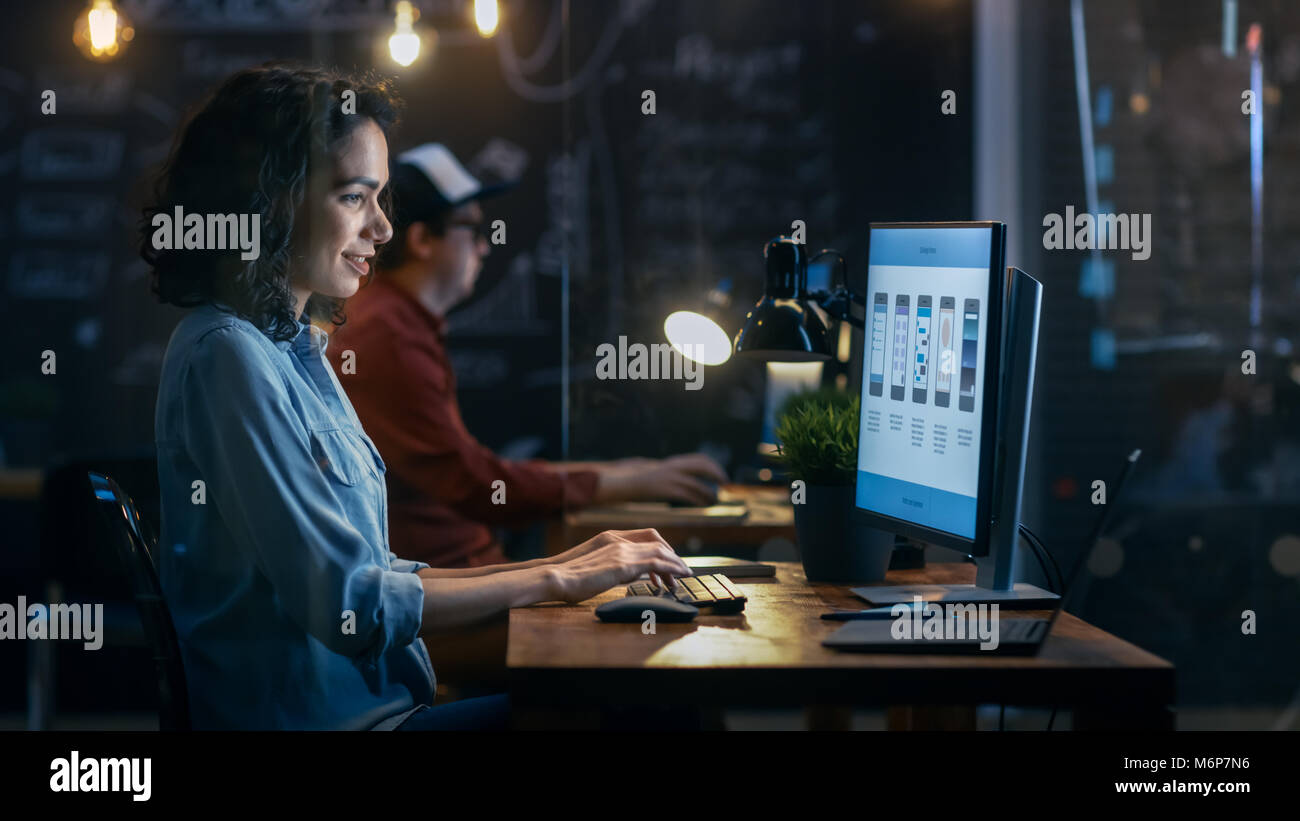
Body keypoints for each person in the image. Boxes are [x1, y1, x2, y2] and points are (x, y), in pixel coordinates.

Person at [142, 64, 690, 730]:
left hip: (379, 711)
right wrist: (555, 580)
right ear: (274, 201)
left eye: (381, 199)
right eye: (354, 197)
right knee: (653, 707)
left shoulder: (294, 349)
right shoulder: (227, 354)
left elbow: (374, 569)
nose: (382, 228)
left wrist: (566, 562)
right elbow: (352, 604)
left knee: (649, 694)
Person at [327, 143, 728, 568]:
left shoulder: (396, 321)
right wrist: (632, 480)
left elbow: (471, 471)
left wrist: (628, 474)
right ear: (424, 239)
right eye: (473, 231)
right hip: (442, 590)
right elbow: (476, 485)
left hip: (453, 575)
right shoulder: (389, 335)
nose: (485, 248)